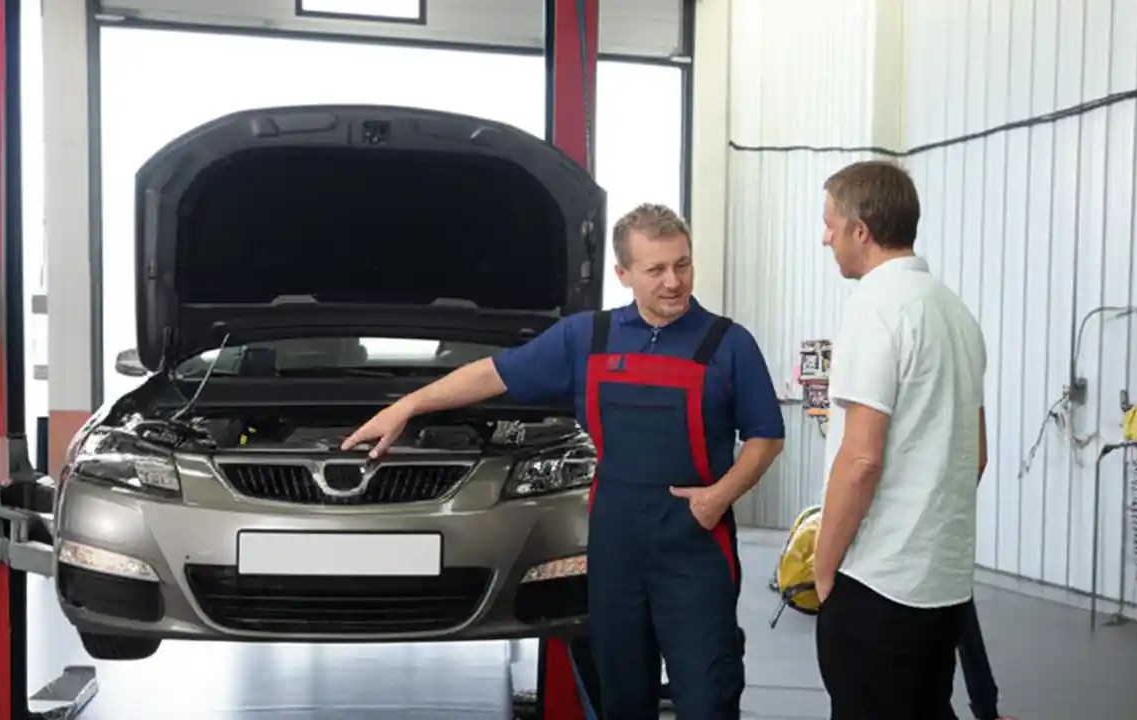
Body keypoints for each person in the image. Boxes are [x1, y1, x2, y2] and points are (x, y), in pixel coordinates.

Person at [342, 203, 785, 719]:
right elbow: (493, 374)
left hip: (695, 545)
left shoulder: (728, 344)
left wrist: (718, 498)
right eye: (656, 269)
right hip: (615, 547)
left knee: (709, 695)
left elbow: (766, 436)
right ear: (623, 274)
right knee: (621, 697)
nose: (673, 281)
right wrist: (406, 406)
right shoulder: (587, 339)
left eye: (682, 264)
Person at [811, 160, 987, 719]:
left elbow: (861, 459)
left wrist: (823, 565)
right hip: (942, 585)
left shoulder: (875, 310)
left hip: (877, 584)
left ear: (860, 231)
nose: (826, 238)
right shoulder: (956, 313)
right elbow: (976, 455)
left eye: (830, 225)